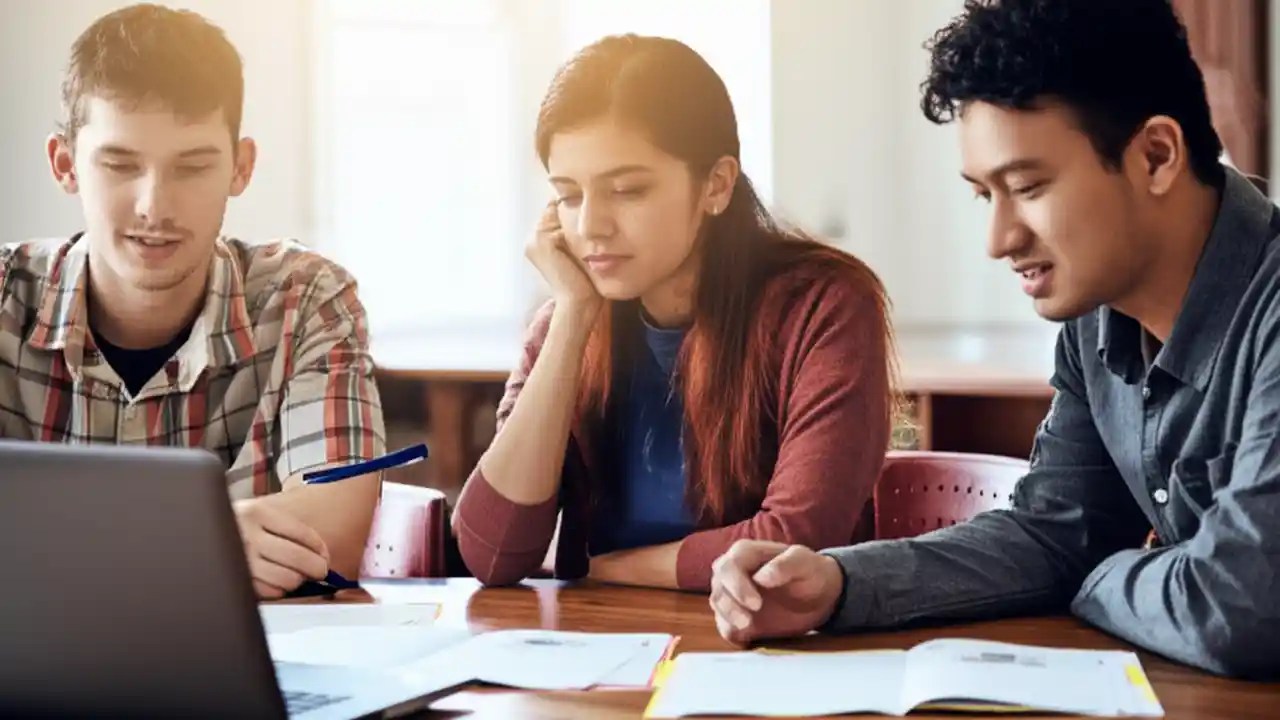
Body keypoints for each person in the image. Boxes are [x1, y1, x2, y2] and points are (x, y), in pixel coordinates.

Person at [708, 0, 1280, 680]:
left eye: (1029, 187)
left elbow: (1238, 610)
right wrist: (835, 583)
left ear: (1156, 156)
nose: (999, 241)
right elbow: (1053, 531)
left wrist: (1097, 573)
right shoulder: (1096, 314)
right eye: (986, 195)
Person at [452, 34, 897, 592]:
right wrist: (571, 315)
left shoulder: (823, 306)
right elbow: (492, 556)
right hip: (602, 657)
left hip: (772, 654)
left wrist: (609, 568)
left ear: (716, 184)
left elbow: (792, 540)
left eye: (627, 190)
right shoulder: (568, 320)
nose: (591, 226)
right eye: (568, 196)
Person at [0, 4, 385, 599]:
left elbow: (331, 539)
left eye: (192, 166)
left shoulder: (308, 299)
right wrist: (201, 545)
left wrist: (62, 543)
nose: (155, 206)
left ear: (241, 166)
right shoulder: (3, 295)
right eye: (120, 164)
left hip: (247, 680)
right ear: (65, 164)